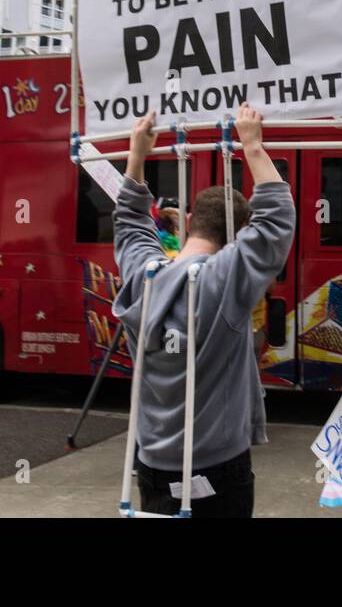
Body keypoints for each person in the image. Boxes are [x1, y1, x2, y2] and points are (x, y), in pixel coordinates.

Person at [112, 103, 295, 517]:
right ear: (234, 237)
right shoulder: (222, 283)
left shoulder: (144, 276)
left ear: (189, 221)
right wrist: (252, 145)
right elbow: (277, 222)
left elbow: (129, 223)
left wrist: (137, 155)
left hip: (153, 464)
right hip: (215, 467)